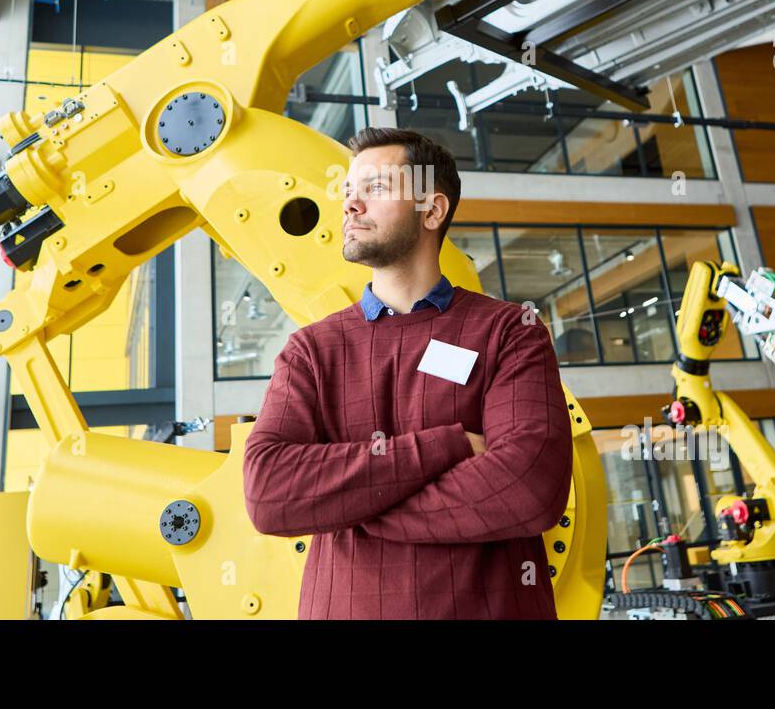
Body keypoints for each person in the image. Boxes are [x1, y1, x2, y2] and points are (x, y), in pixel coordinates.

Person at [243, 126, 573, 619]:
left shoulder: (510, 331)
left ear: (432, 210)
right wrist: (450, 445)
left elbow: (527, 490)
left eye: (374, 189)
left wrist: (351, 507)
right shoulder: (311, 351)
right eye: (348, 193)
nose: (351, 206)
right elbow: (269, 495)